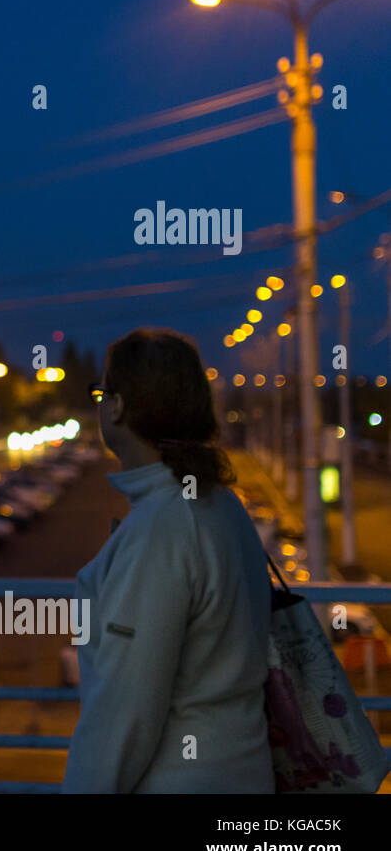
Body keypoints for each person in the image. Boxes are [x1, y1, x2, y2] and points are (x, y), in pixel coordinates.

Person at [62, 328, 273, 793]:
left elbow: (123, 710)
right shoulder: (219, 503)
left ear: (117, 406)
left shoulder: (163, 527)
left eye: (102, 392)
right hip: (243, 770)